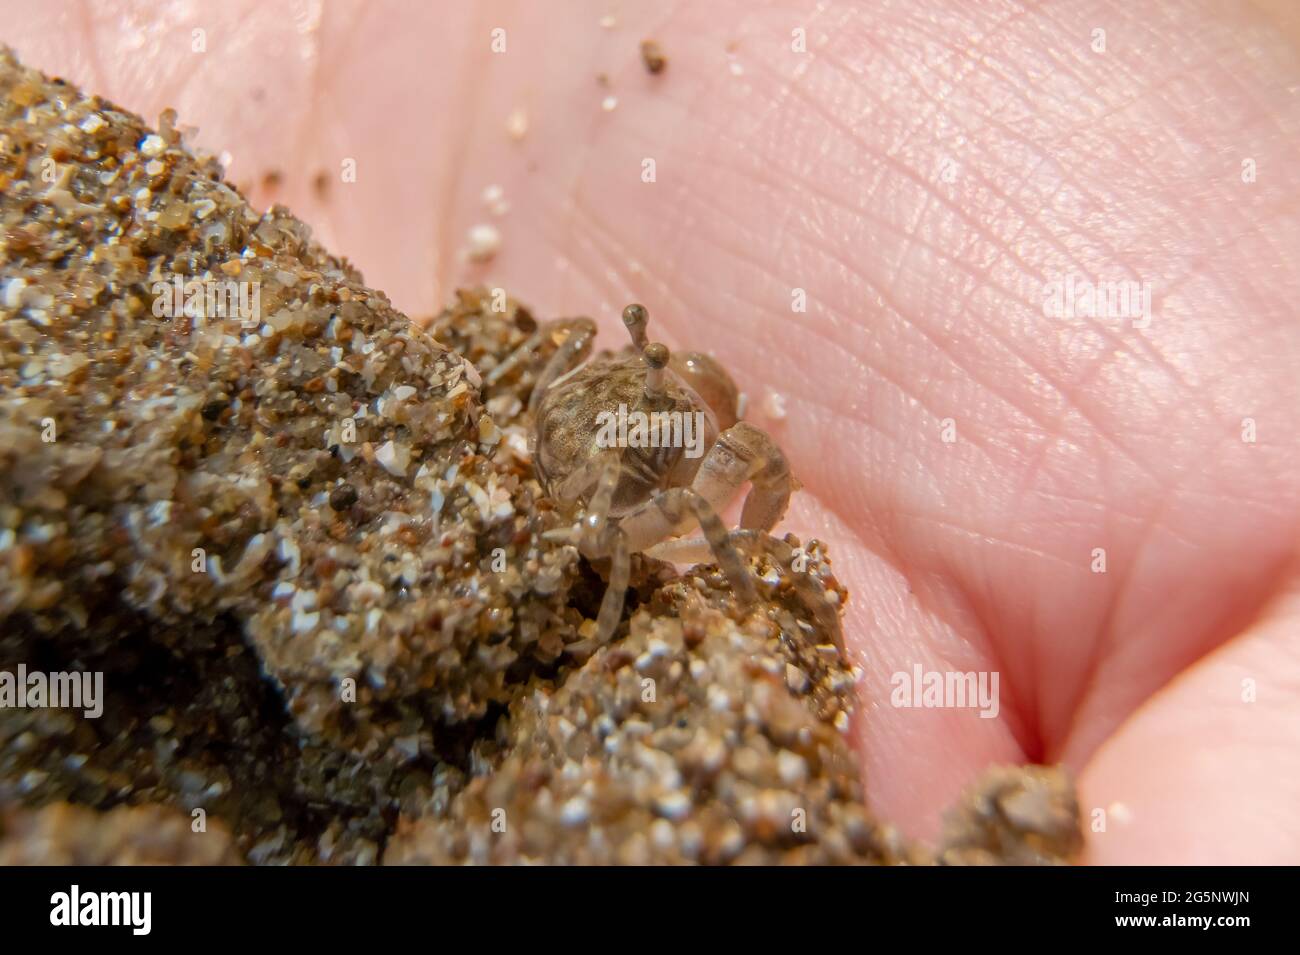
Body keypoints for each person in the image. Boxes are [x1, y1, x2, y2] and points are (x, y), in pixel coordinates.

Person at [8, 0, 1298, 863]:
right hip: (558, 470)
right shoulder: (582, 431)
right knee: (646, 529)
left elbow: (724, 439)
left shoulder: (677, 397)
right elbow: (632, 521)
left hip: (574, 450)